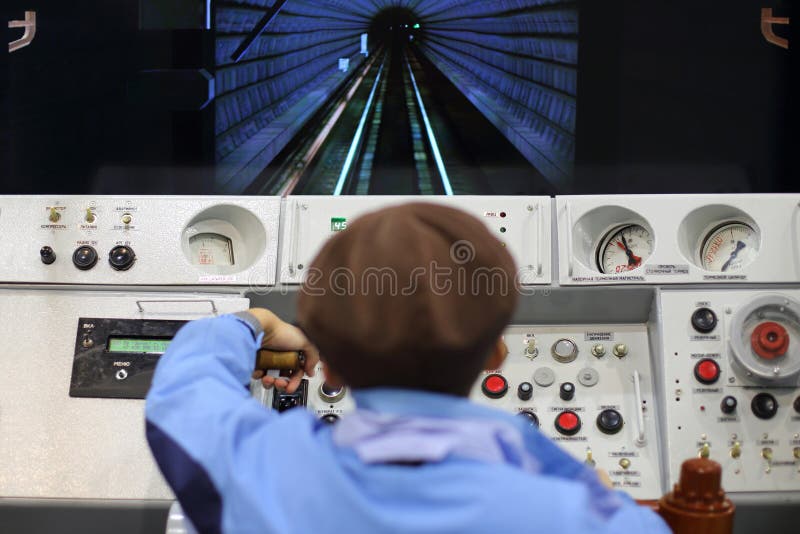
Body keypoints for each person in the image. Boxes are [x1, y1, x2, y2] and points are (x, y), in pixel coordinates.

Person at [146, 203, 669, 534]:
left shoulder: (259, 474)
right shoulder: (571, 516)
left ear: (330, 371)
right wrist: (597, 492)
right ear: (496, 358)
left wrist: (256, 320)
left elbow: (183, 385)